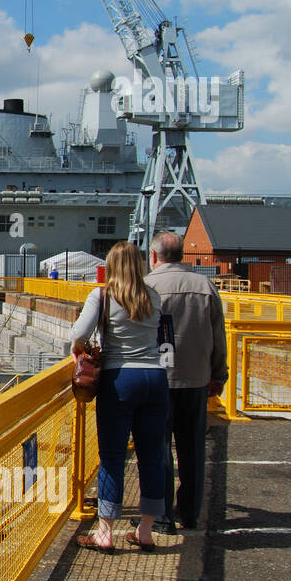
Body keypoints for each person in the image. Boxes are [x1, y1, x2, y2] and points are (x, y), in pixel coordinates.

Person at [70, 241, 169, 552]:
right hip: (155, 378)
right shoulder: (153, 296)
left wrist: (78, 351)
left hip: (120, 379)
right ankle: (146, 530)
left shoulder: (101, 296)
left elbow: (78, 334)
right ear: (140, 264)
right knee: (152, 457)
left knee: (112, 457)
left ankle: (105, 532)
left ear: (111, 265)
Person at [144, 231, 227, 531]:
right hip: (196, 379)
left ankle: (162, 516)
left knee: (159, 447)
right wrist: (219, 374)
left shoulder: (147, 286)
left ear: (154, 256)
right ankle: (190, 512)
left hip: (156, 379)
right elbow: (219, 335)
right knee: (192, 447)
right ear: (183, 255)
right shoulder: (205, 286)